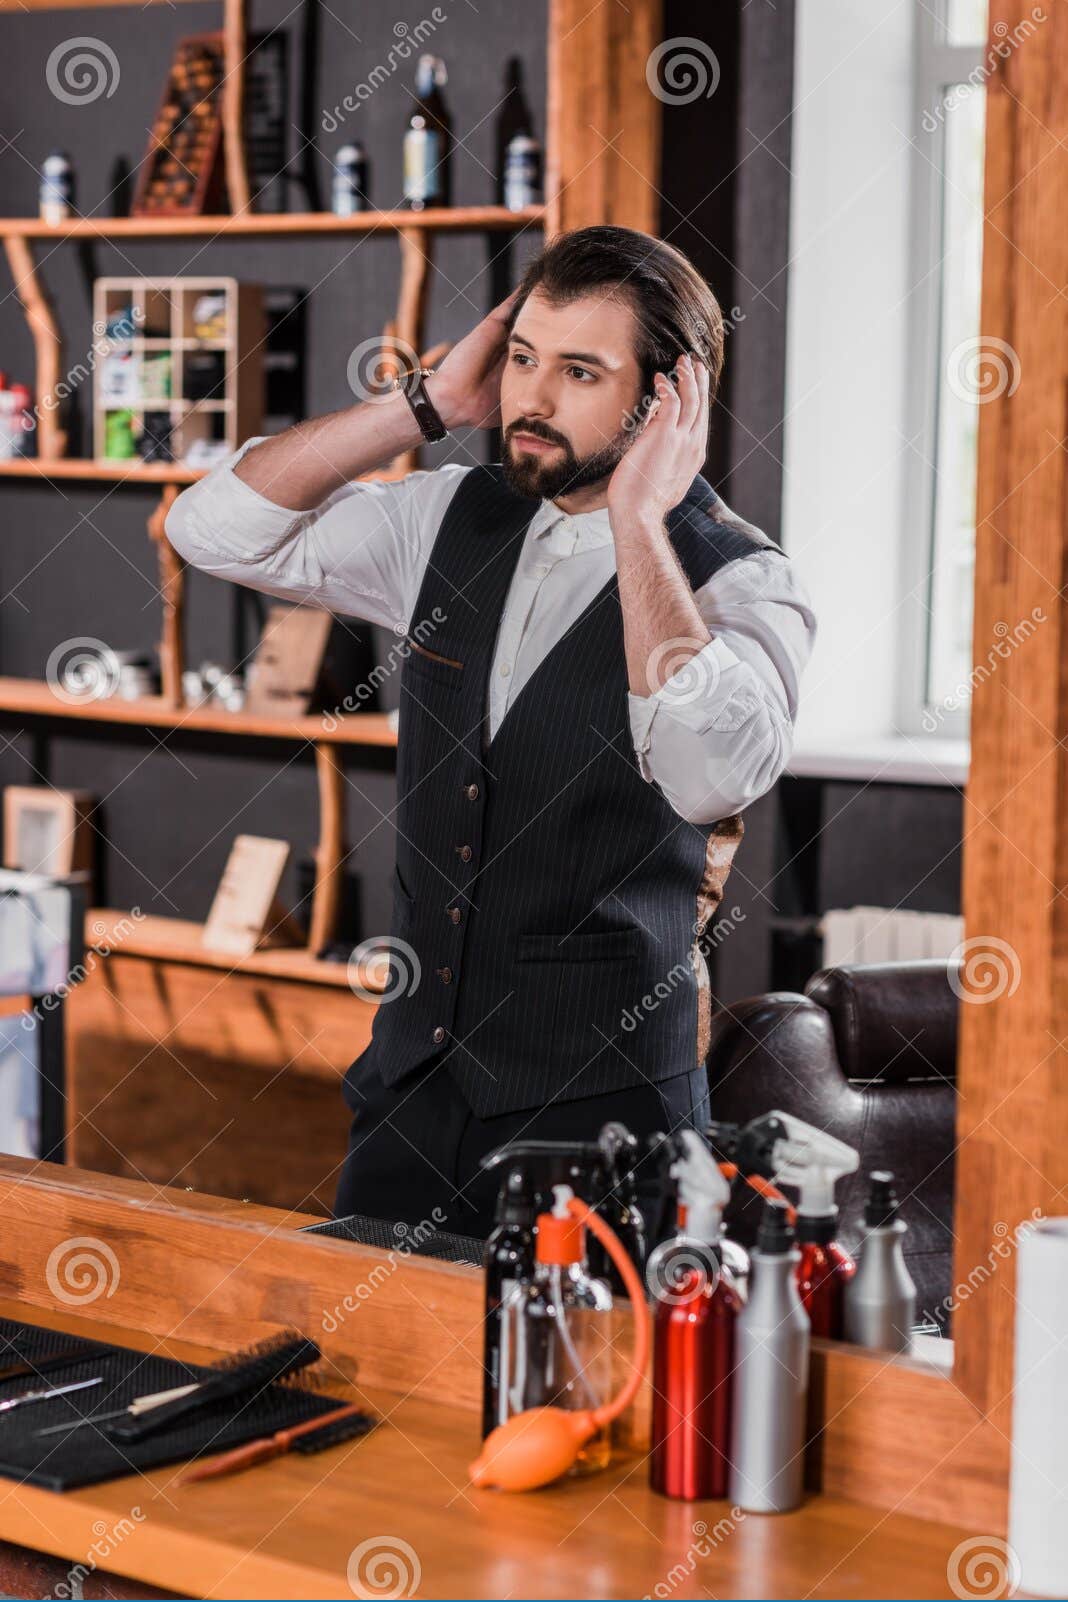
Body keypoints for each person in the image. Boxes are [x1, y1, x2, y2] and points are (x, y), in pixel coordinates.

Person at [165, 224, 815, 1238]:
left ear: (666, 399)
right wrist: (422, 404)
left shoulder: (738, 581)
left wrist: (642, 525)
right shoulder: (446, 517)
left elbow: (710, 773)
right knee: (369, 1379)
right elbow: (211, 528)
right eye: (522, 360)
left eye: (579, 371)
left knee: (586, 1398)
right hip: (411, 1095)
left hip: (607, 1125)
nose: (533, 400)